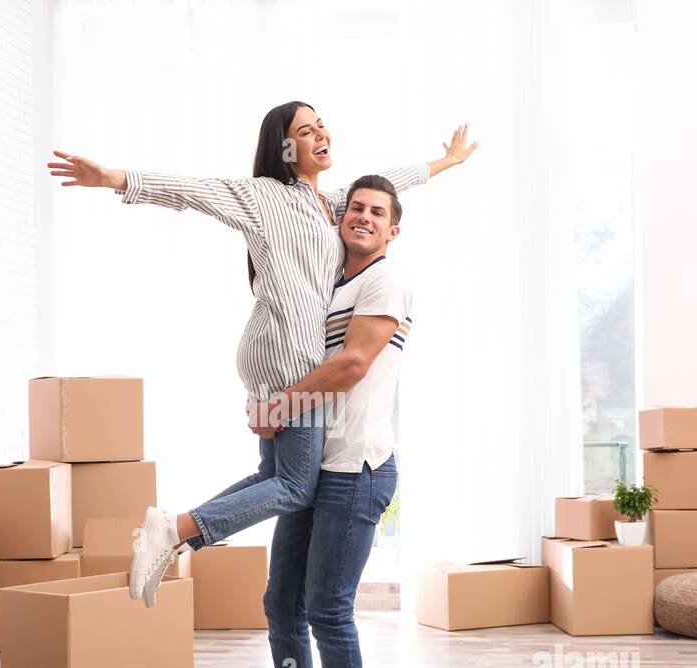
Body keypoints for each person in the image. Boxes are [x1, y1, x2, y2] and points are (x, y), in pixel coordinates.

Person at [47, 104, 476, 605]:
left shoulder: (332, 205)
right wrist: (115, 178)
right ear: (284, 147)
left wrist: (446, 162)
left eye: (322, 125)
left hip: (284, 350)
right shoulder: (263, 196)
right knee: (296, 487)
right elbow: (193, 191)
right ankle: (175, 530)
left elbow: (387, 186)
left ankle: (166, 531)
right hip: (286, 352)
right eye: (305, 130)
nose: (320, 134)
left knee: (276, 479)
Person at [231, 175, 414, 668]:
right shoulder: (332, 284)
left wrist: (280, 403)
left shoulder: (385, 279)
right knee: (282, 603)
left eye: (377, 212)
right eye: (356, 207)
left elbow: (353, 363)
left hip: (355, 471)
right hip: (309, 466)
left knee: (328, 611)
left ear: (392, 229)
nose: (363, 216)